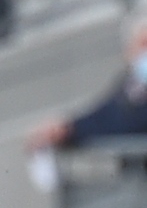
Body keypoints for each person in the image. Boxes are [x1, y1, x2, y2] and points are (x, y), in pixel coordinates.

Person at [27, 15, 147, 154]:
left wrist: (74, 130)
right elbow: (105, 114)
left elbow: (130, 122)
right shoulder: (130, 85)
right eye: (143, 45)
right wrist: (68, 128)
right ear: (129, 52)